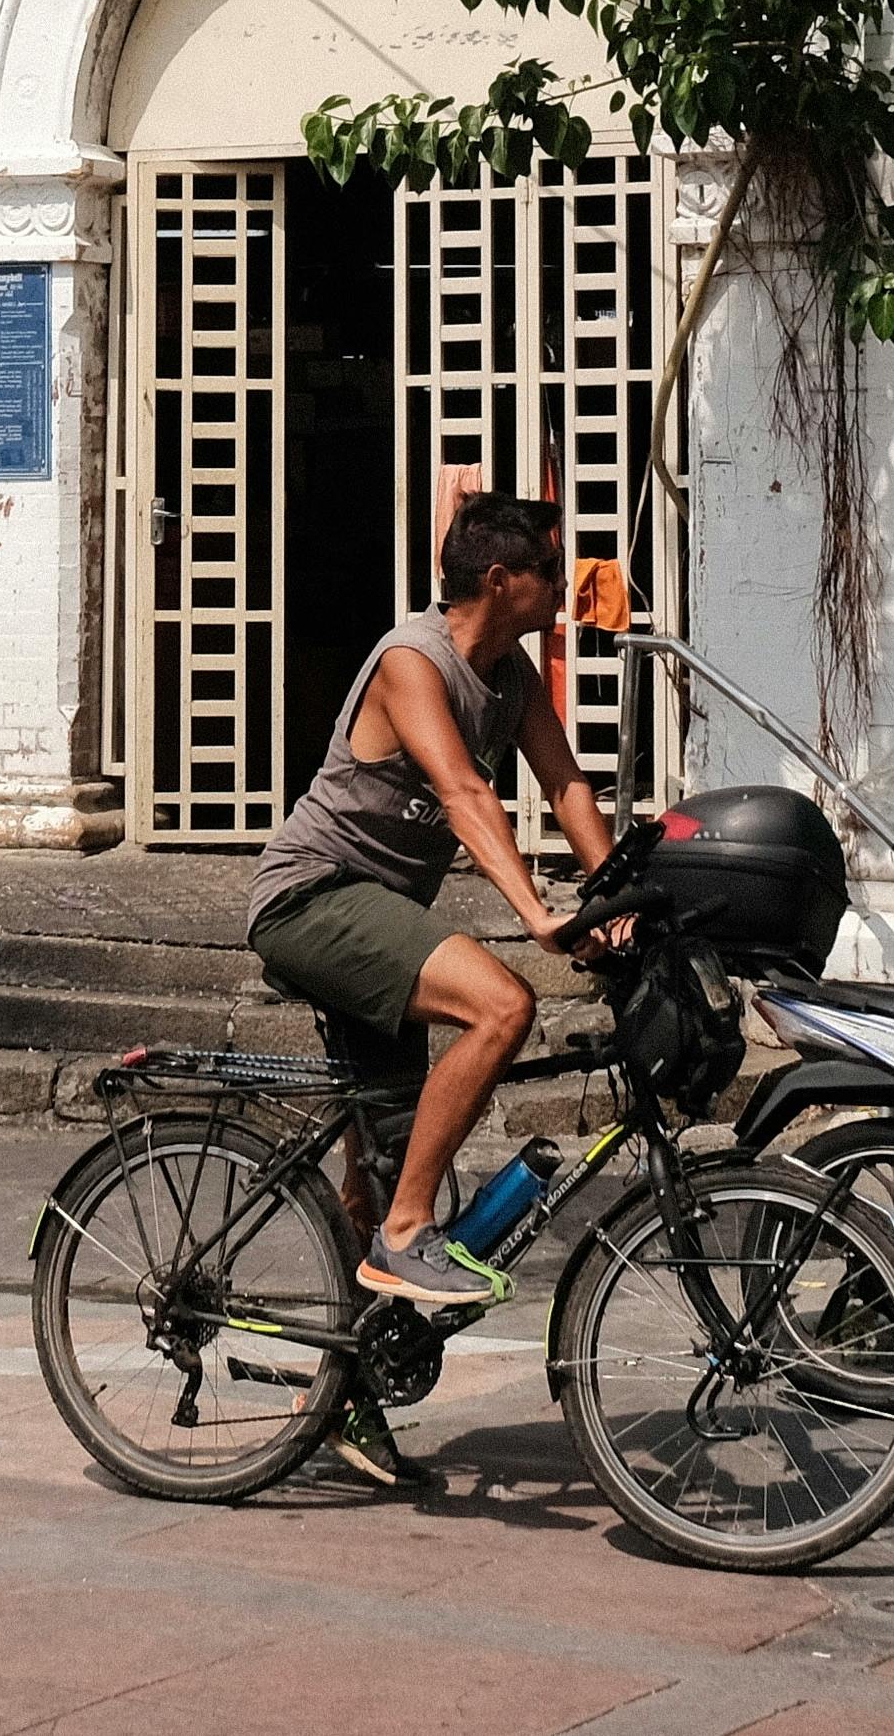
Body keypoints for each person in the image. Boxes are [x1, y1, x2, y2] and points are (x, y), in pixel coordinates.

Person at [244, 470, 615, 1306]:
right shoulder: (412, 660)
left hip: (379, 919)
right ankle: (410, 1232)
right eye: (550, 572)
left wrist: (617, 890)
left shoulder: (511, 674)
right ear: (499, 581)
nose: (563, 588)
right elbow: (464, 793)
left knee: (382, 1160)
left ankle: (350, 1382)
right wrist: (538, 916)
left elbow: (565, 785)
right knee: (503, 1005)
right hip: (312, 897)